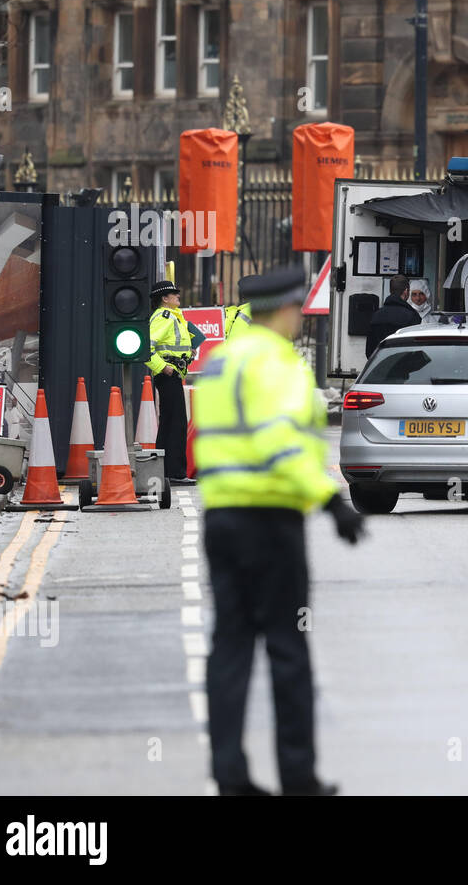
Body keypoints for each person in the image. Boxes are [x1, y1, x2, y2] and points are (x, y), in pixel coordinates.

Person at [193, 265, 367, 796]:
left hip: (221, 517)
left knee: (230, 648)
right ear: (288, 309)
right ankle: (298, 777)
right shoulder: (277, 363)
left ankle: (230, 774)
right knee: (288, 649)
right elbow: (280, 444)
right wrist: (331, 502)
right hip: (271, 523)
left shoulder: (221, 363)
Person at [146, 281, 194, 484]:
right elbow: (146, 348)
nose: (178, 296)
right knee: (177, 424)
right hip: (168, 375)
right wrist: (163, 367)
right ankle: (176, 473)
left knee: (168, 423)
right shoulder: (164, 317)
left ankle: (164, 471)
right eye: (174, 293)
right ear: (164, 298)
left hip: (173, 374)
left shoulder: (174, 317)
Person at [364, 274, 421, 359]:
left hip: (381, 366)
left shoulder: (376, 316)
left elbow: (369, 351)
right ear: (406, 291)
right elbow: (415, 350)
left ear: (391, 290)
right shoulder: (411, 316)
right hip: (403, 367)